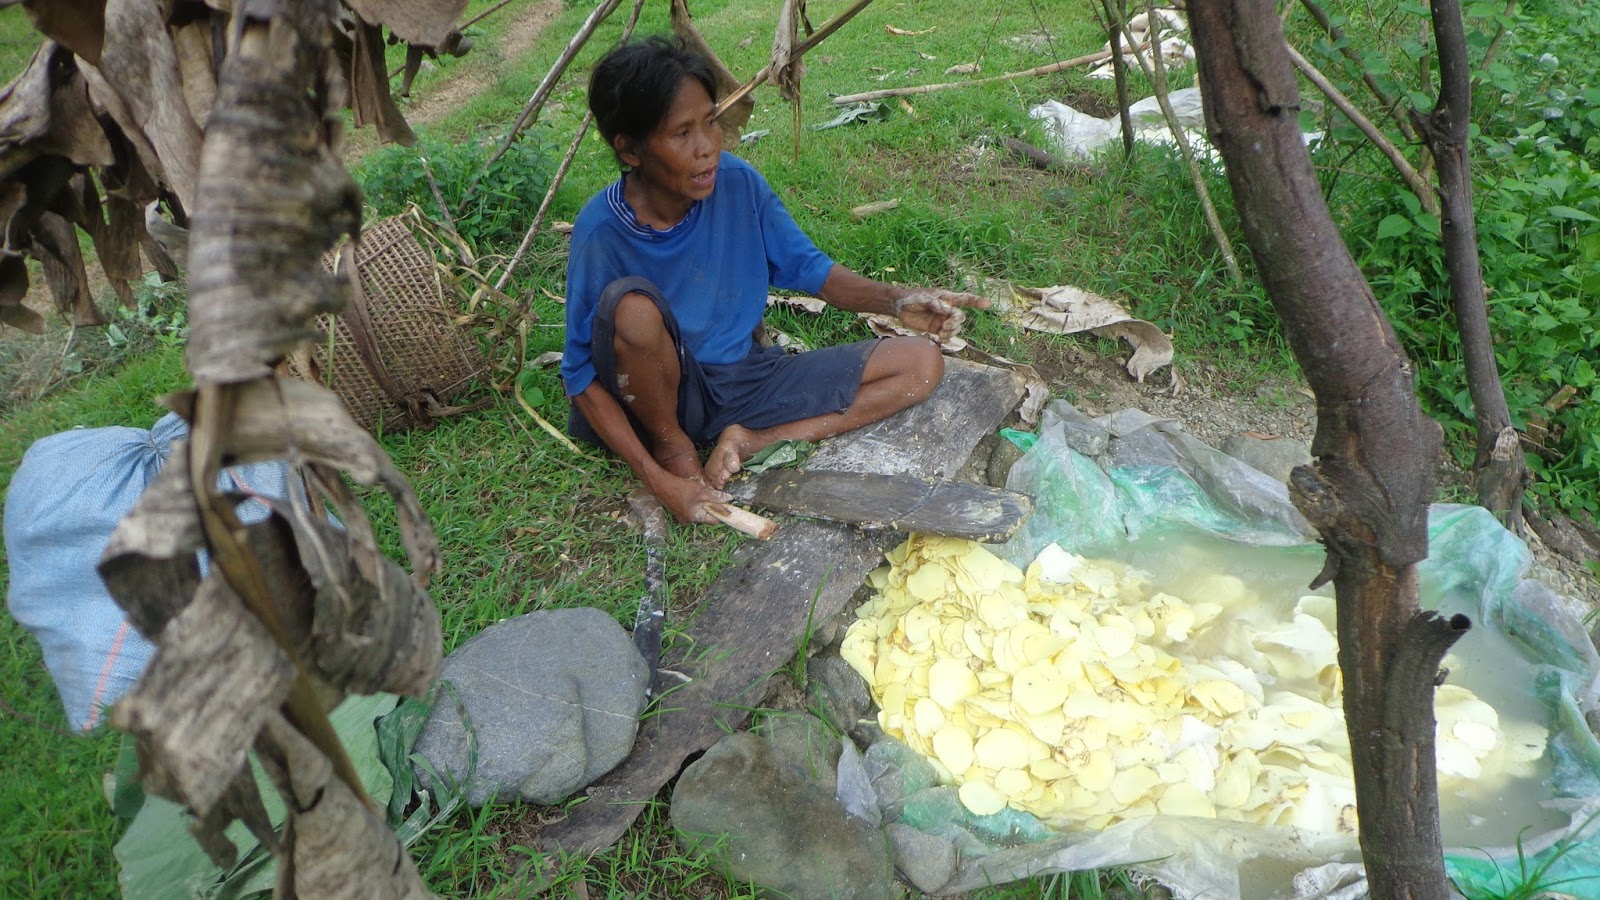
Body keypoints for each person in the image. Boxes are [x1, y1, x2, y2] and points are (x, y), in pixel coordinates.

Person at [562, 35, 989, 525]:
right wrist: (661, 482)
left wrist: (894, 301)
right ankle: (675, 452)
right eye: (682, 134)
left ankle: (748, 439)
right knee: (632, 308)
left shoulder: (738, 184)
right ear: (631, 149)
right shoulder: (603, 230)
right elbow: (580, 377)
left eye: (710, 122)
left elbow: (814, 271)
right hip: (657, 394)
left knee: (919, 364)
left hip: (745, 380)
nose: (707, 148)